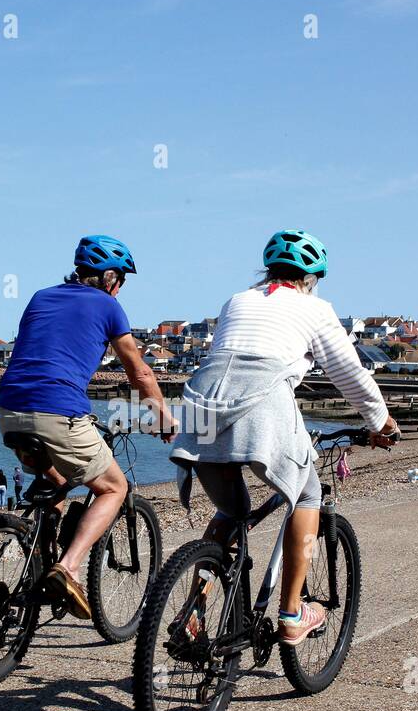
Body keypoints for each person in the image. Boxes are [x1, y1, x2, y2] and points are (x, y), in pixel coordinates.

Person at [171, 229, 400, 646]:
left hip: (203, 402)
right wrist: (381, 422)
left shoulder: (237, 300)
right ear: (311, 279)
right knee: (307, 495)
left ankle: (194, 610)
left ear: (268, 270)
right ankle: (292, 613)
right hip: (262, 401)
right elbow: (349, 373)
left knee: (231, 511)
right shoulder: (314, 308)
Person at [0, 234, 174, 619]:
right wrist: (162, 415)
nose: (121, 288)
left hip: (10, 409)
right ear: (111, 278)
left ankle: (39, 564)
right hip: (59, 413)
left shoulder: (41, 297)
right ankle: (69, 566)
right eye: (122, 280)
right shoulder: (109, 307)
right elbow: (140, 373)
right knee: (113, 486)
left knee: (57, 481)